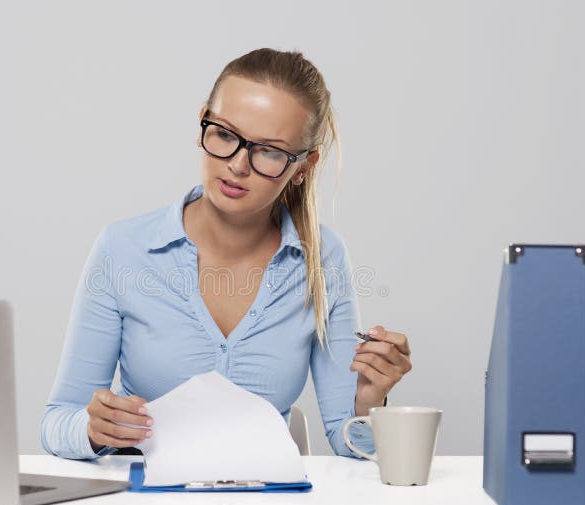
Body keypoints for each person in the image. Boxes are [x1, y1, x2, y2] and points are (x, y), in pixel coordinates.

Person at [41, 48, 412, 460]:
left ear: (304, 166)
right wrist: (94, 430)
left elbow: (353, 448)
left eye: (269, 151)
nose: (237, 165)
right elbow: (58, 422)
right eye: (224, 135)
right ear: (203, 121)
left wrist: (369, 403)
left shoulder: (322, 258)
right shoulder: (122, 249)